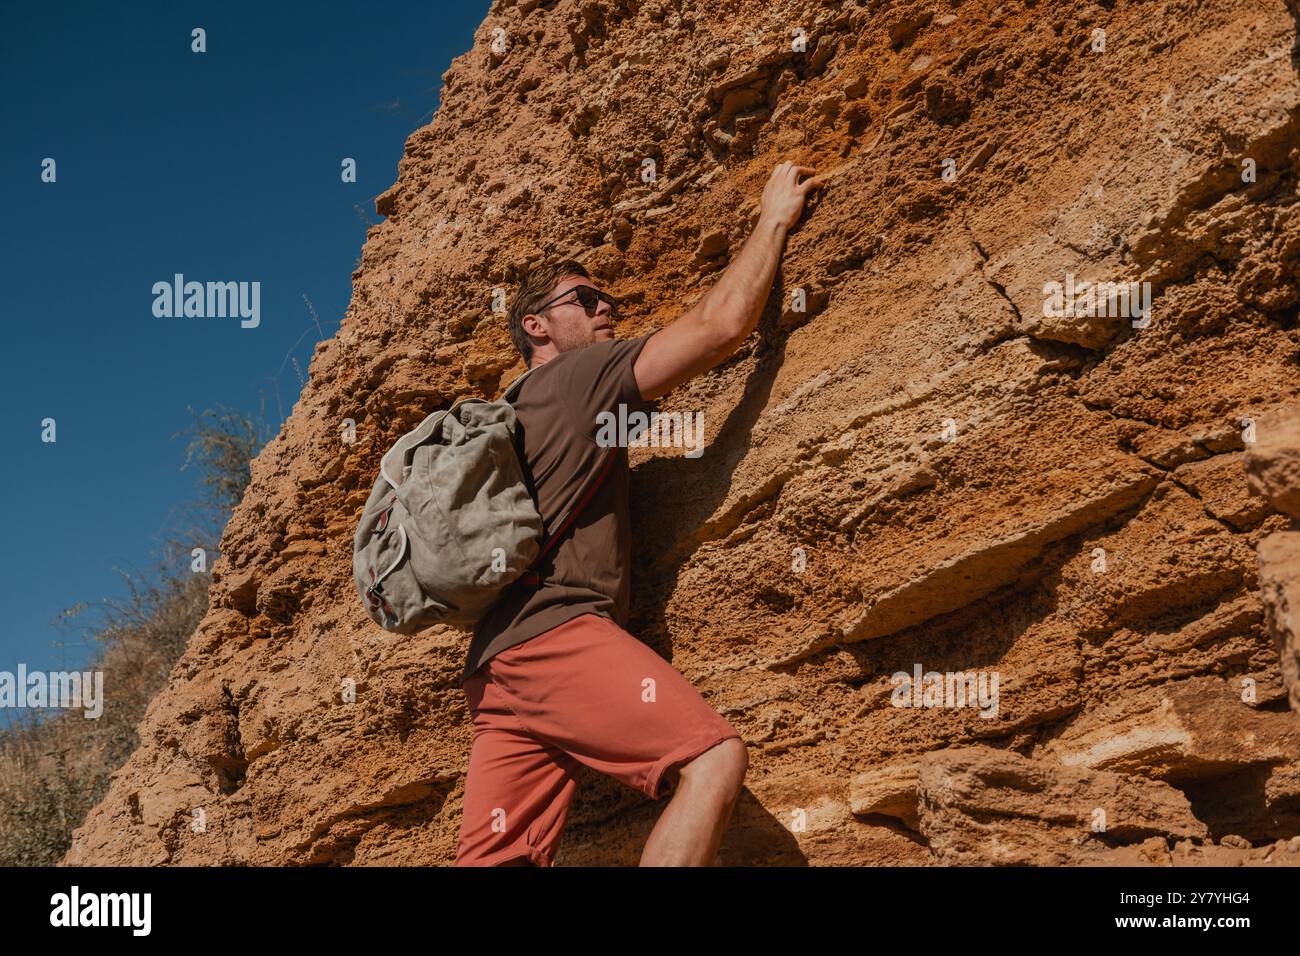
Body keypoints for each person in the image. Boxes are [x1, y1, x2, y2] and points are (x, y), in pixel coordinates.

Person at [455, 162, 825, 866]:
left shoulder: (513, 413)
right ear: (535, 325)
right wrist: (772, 217)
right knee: (713, 758)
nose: (606, 310)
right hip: (555, 637)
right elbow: (720, 327)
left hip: (495, 668)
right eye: (585, 298)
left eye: (607, 299)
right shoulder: (574, 378)